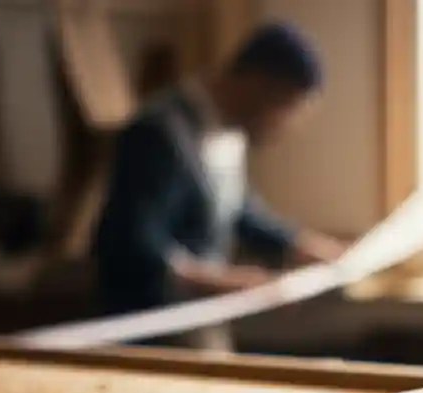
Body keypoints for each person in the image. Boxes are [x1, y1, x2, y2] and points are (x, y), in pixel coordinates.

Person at [92, 22, 345, 348]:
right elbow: (132, 244)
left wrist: (301, 245)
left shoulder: (227, 133)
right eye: (286, 108)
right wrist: (226, 281)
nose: (286, 127)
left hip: (201, 317)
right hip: (153, 328)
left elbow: (236, 209)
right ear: (257, 84)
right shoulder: (157, 134)